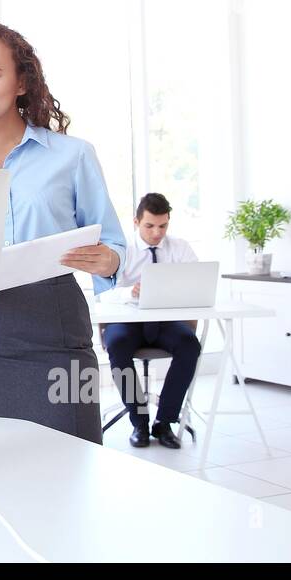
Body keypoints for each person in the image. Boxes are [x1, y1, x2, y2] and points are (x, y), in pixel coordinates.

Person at [0, 18, 126, 444]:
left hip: (55, 334)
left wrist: (107, 259)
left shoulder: (72, 156)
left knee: (74, 464)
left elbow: (113, 244)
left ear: (22, 82)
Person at [104, 192, 202, 449]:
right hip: (128, 320)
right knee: (116, 345)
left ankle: (164, 422)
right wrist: (128, 292)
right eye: (150, 226)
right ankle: (139, 422)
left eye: (163, 225)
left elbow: (197, 283)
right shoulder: (120, 249)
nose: (157, 233)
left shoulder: (180, 248)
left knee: (189, 345)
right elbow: (103, 292)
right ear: (136, 222)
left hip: (166, 321)